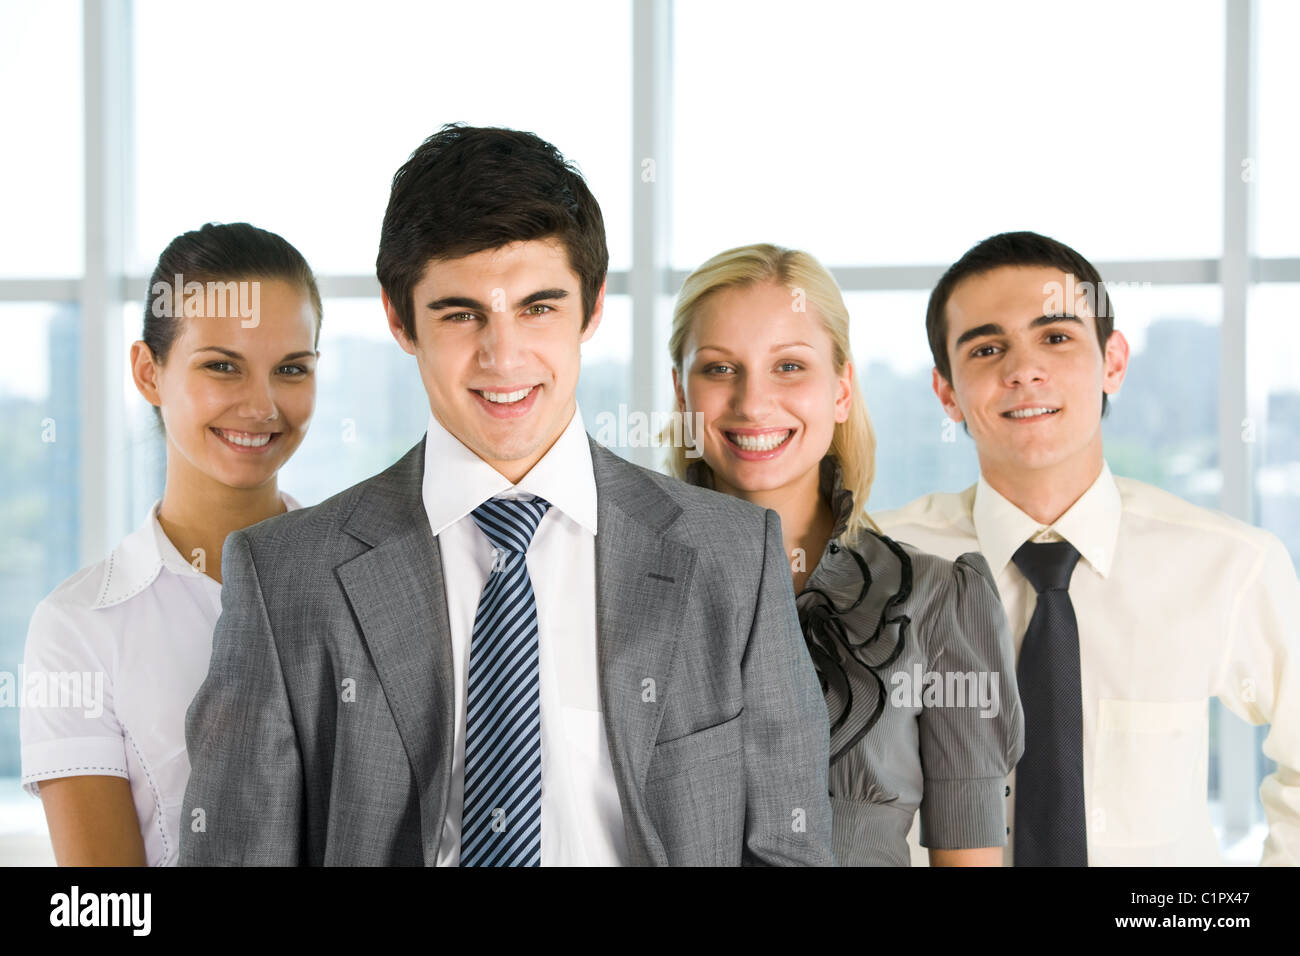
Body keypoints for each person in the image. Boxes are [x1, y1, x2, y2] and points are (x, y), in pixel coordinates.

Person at [179, 126, 833, 867]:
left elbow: (792, 852)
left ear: (591, 310)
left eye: (539, 308)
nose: (503, 356)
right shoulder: (283, 576)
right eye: (461, 315)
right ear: (401, 321)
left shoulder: (733, 557)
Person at [876, 230, 1300, 866]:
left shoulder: (1230, 564)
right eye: (988, 348)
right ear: (947, 393)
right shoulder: (880, 563)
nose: (1024, 370)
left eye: (1056, 337)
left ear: (1114, 361)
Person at [666, 243, 1023, 866]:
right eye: (720, 369)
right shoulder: (609, 582)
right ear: (680, 392)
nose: (752, 402)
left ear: (841, 389)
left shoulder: (943, 603)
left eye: (790, 367)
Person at [20, 222, 322, 866]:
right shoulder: (80, 627)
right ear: (148, 372)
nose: (263, 405)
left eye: (291, 369)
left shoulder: (364, 583)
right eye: (222, 366)